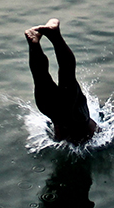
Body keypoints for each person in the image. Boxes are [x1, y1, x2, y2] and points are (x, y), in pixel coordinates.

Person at [25, 18, 98, 146]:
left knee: (63, 74)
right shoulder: (81, 123)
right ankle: (38, 42)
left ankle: (38, 41)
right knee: (43, 76)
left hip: (62, 115)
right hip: (64, 114)